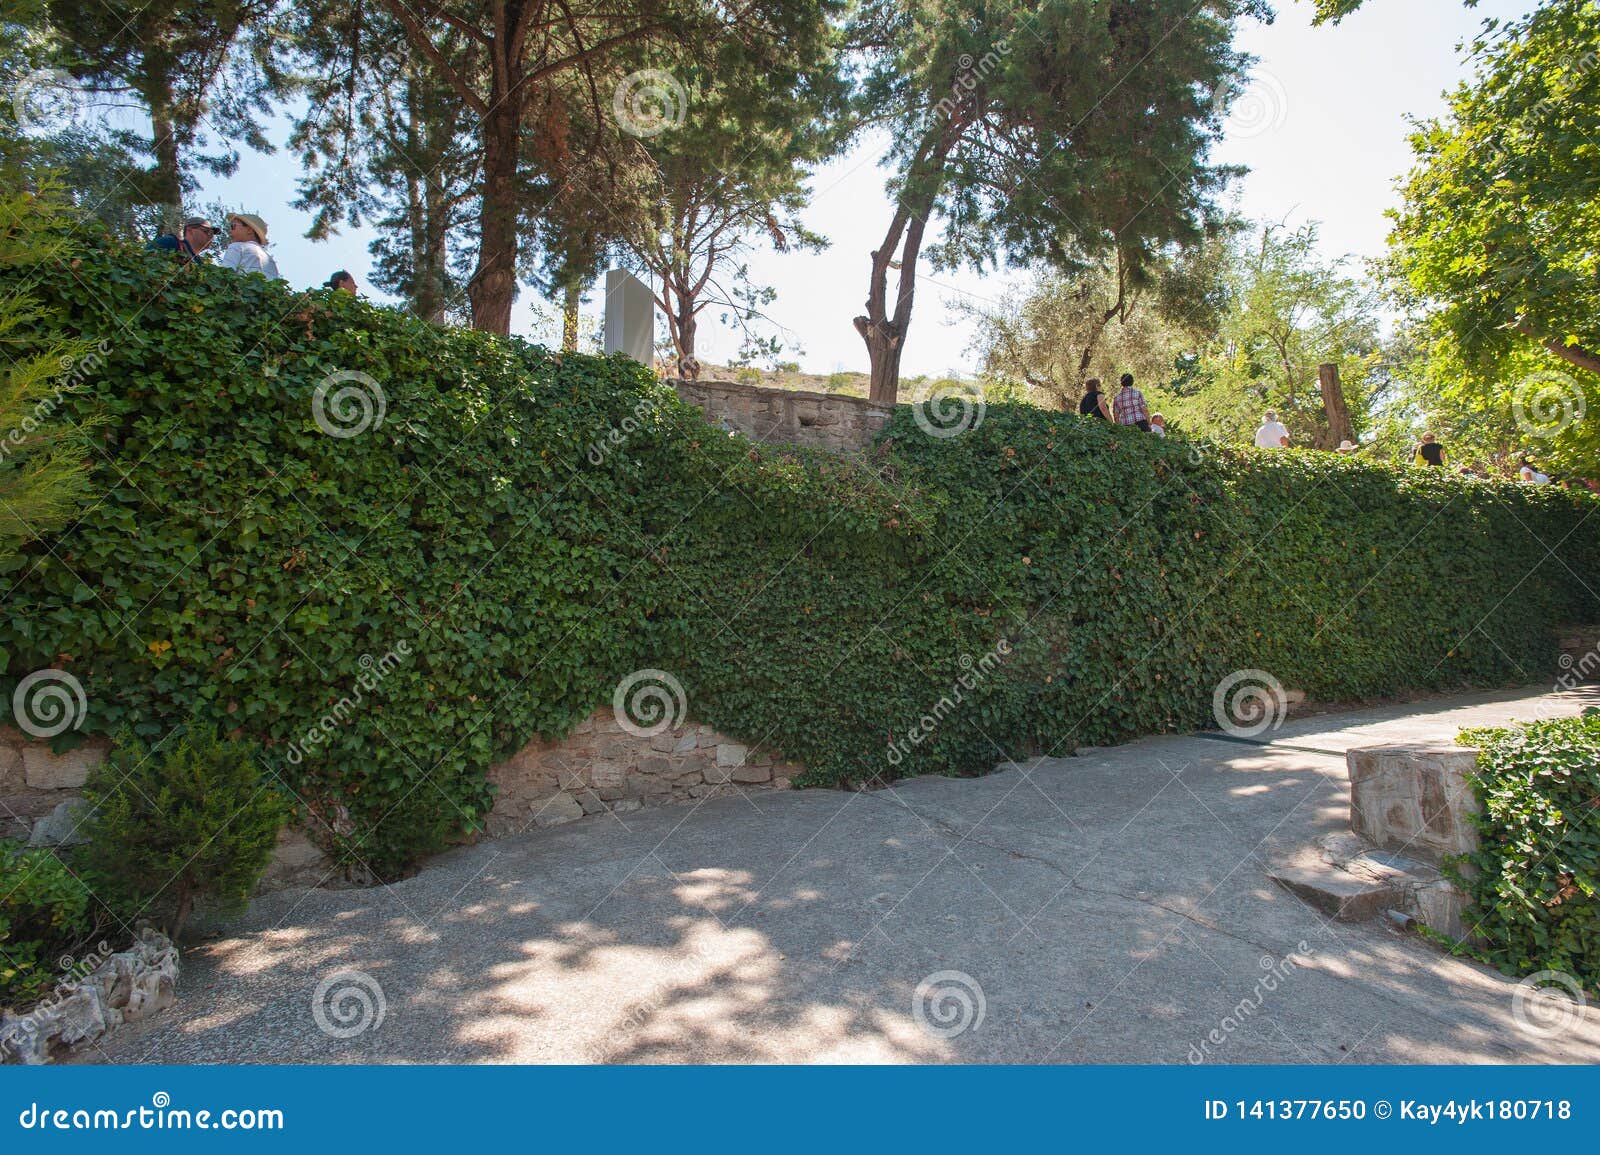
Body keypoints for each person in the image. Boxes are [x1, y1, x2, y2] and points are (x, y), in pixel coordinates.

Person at [220, 213, 282, 280]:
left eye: (233, 226)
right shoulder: (271, 261)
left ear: (249, 230)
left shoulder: (237, 247)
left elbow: (225, 274)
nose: (230, 230)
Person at [147, 217, 218, 263]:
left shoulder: (199, 263)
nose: (211, 236)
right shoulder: (170, 242)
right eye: (206, 231)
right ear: (190, 231)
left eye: (212, 234)